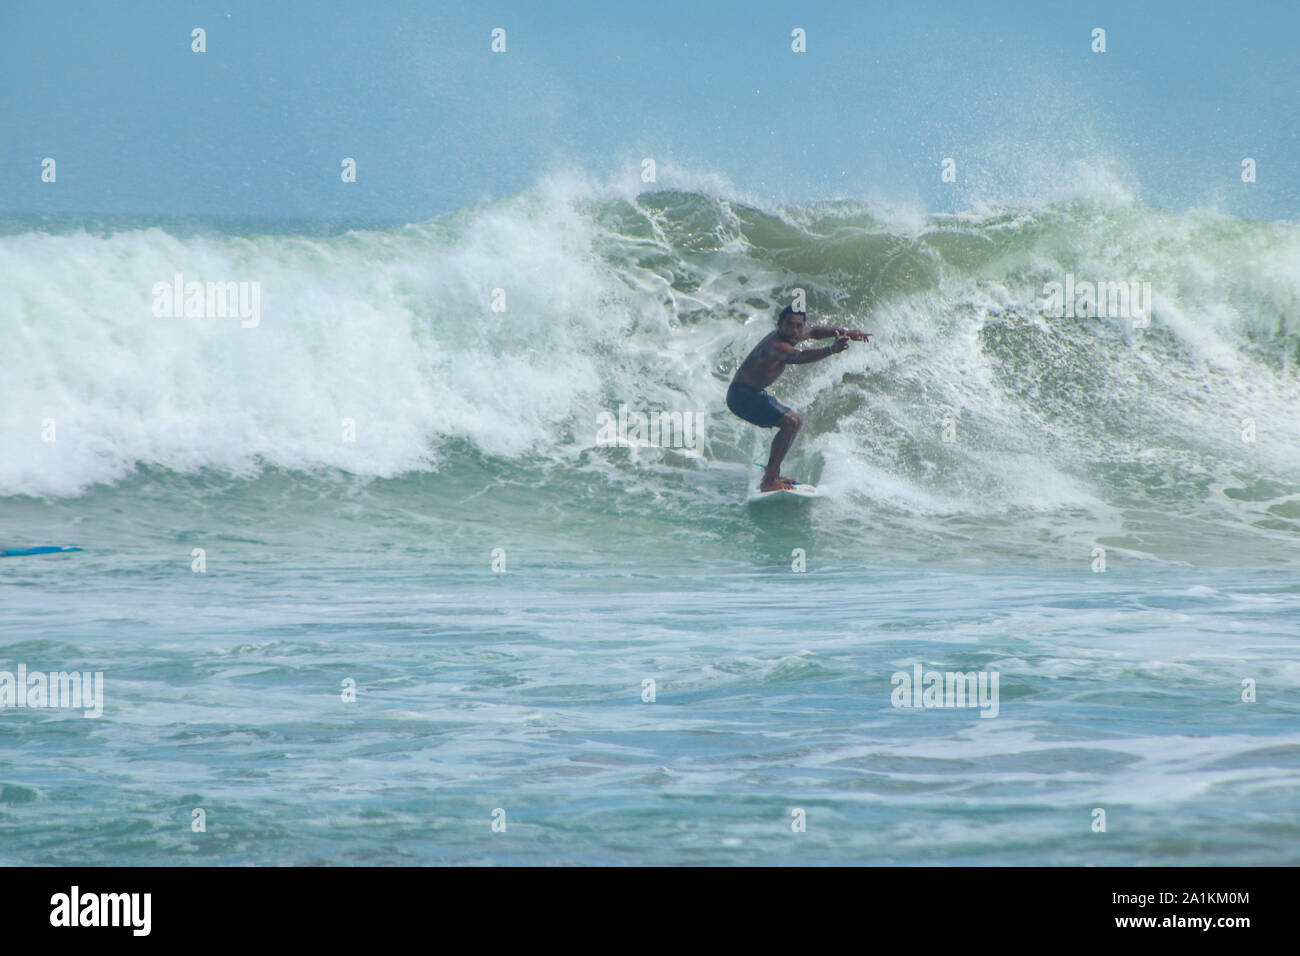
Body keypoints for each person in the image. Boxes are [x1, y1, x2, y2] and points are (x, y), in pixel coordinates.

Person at [727, 306, 872, 492]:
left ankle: (772, 475)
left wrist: (846, 332)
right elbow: (800, 357)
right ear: (779, 324)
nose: (795, 330)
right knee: (791, 422)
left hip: (752, 392)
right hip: (741, 396)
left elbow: (814, 332)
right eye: (790, 325)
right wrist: (832, 349)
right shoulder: (776, 345)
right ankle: (769, 481)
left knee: (794, 422)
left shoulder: (792, 335)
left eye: (799, 326)